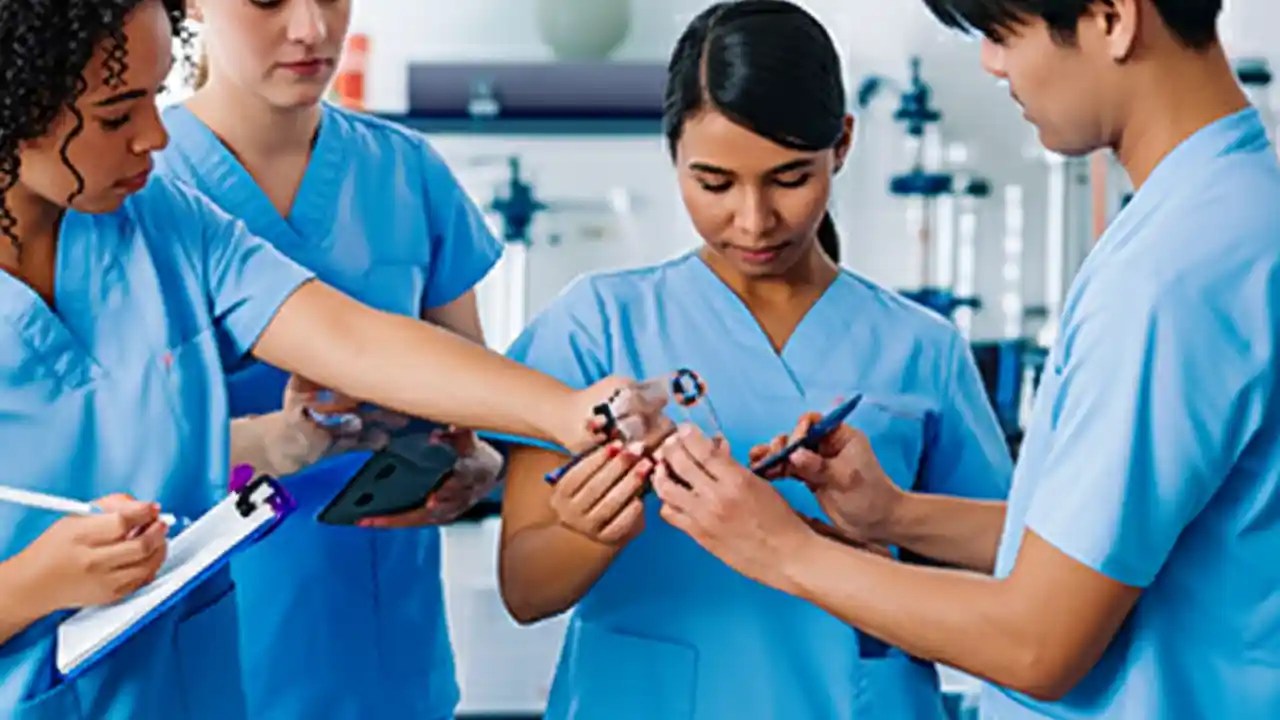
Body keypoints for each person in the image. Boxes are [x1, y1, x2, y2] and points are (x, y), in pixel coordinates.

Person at [0, 2, 645, 718]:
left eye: (154, 98)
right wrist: (30, 584)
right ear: (18, 105)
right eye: (118, 114)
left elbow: (355, 340)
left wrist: (565, 409)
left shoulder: (168, 223)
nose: (153, 136)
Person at [651, 1, 1280, 718]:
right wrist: (894, 515)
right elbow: (1095, 546)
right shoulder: (1233, 215)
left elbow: (1036, 643)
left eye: (1003, 31)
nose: (991, 62)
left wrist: (781, 548)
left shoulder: (1172, 274)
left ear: (1112, 16)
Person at [498, 2, 1013, 718]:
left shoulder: (922, 350)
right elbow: (525, 591)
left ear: (843, 144)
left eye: (790, 178)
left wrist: (879, 538)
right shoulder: (597, 327)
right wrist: (593, 527)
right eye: (713, 183)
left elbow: (1009, 594)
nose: (753, 219)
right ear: (673, 153)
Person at [152, 1, 505, 716]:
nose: (312, 28)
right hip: (204, 655)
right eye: (268, 0)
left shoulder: (405, 171)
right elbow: (92, 457)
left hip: (382, 660)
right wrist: (265, 445)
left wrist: (478, 465)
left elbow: (477, 396)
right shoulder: (135, 186)